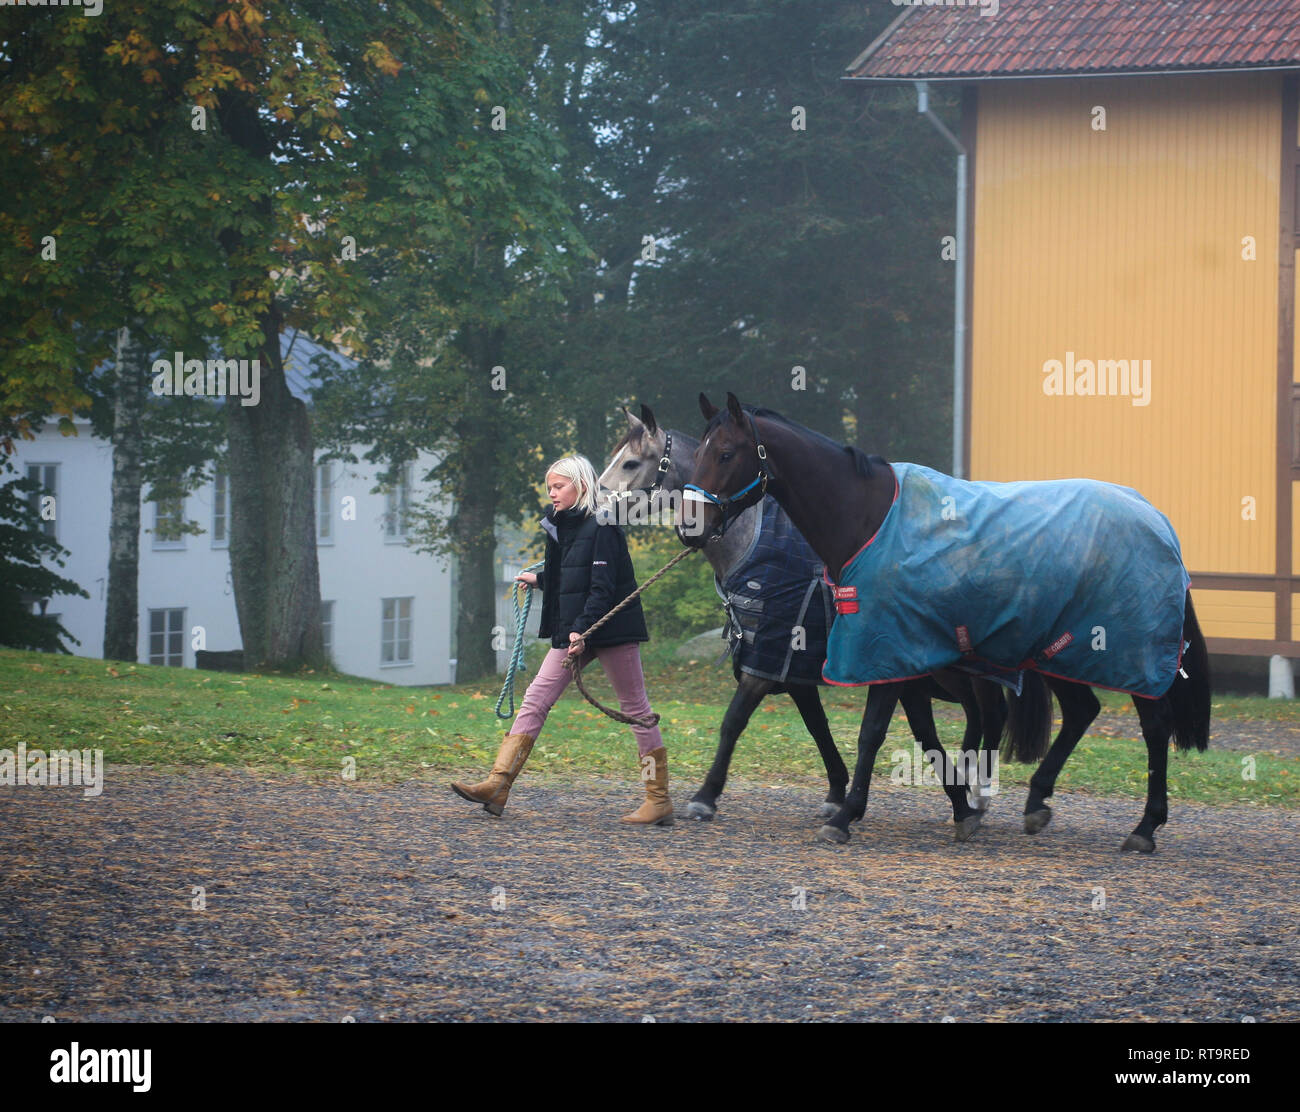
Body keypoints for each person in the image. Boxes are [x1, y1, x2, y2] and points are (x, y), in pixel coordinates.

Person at [450, 454, 672, 825]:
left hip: (609, 629)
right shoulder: (557, 525)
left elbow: (601, 587)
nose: (551, 494)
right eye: (549, 487)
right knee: (535, 699)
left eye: (558, 486)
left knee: (636, 709)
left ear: (580, 486)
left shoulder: (604, 524)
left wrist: (582, 629)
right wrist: (540, 582)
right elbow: (569, 576)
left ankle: (659, 799)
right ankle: (497, 784)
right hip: (574, 632)